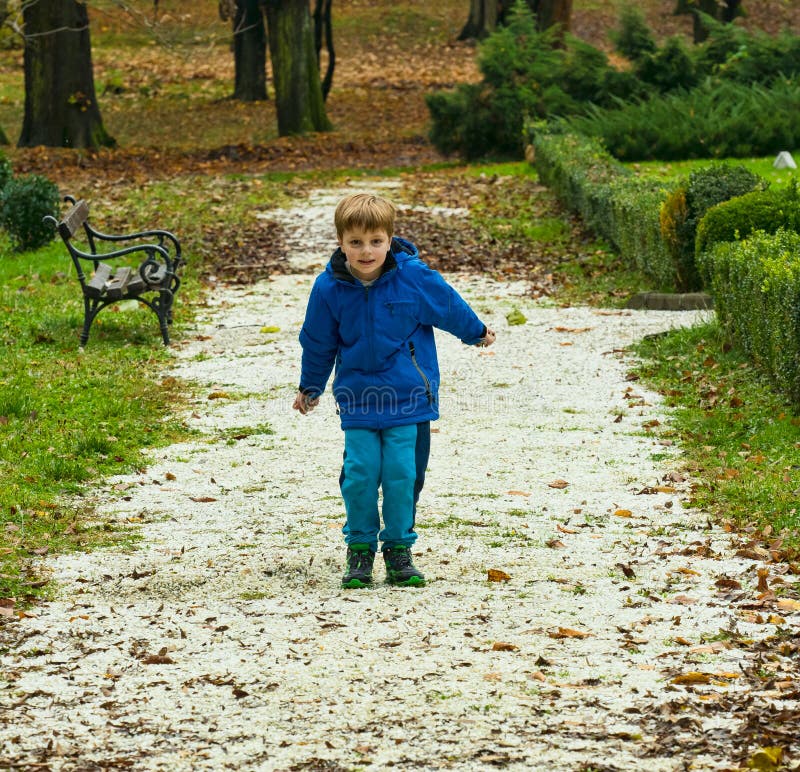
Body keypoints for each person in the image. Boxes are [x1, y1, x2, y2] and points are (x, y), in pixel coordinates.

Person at [293, 193, 496, 589]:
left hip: (409, 397)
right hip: (359, 398)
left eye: (375, 241)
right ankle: (361, 549)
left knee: (403, 474)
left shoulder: (413, 277)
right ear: (340, 242)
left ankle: (400, 549)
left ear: (390, 239)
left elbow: (447, 305)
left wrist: (475, 332)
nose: (366, 251)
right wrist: (311, 387)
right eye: (355, 242)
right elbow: (317, 341)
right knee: (361, 473)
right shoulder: (328, 289)